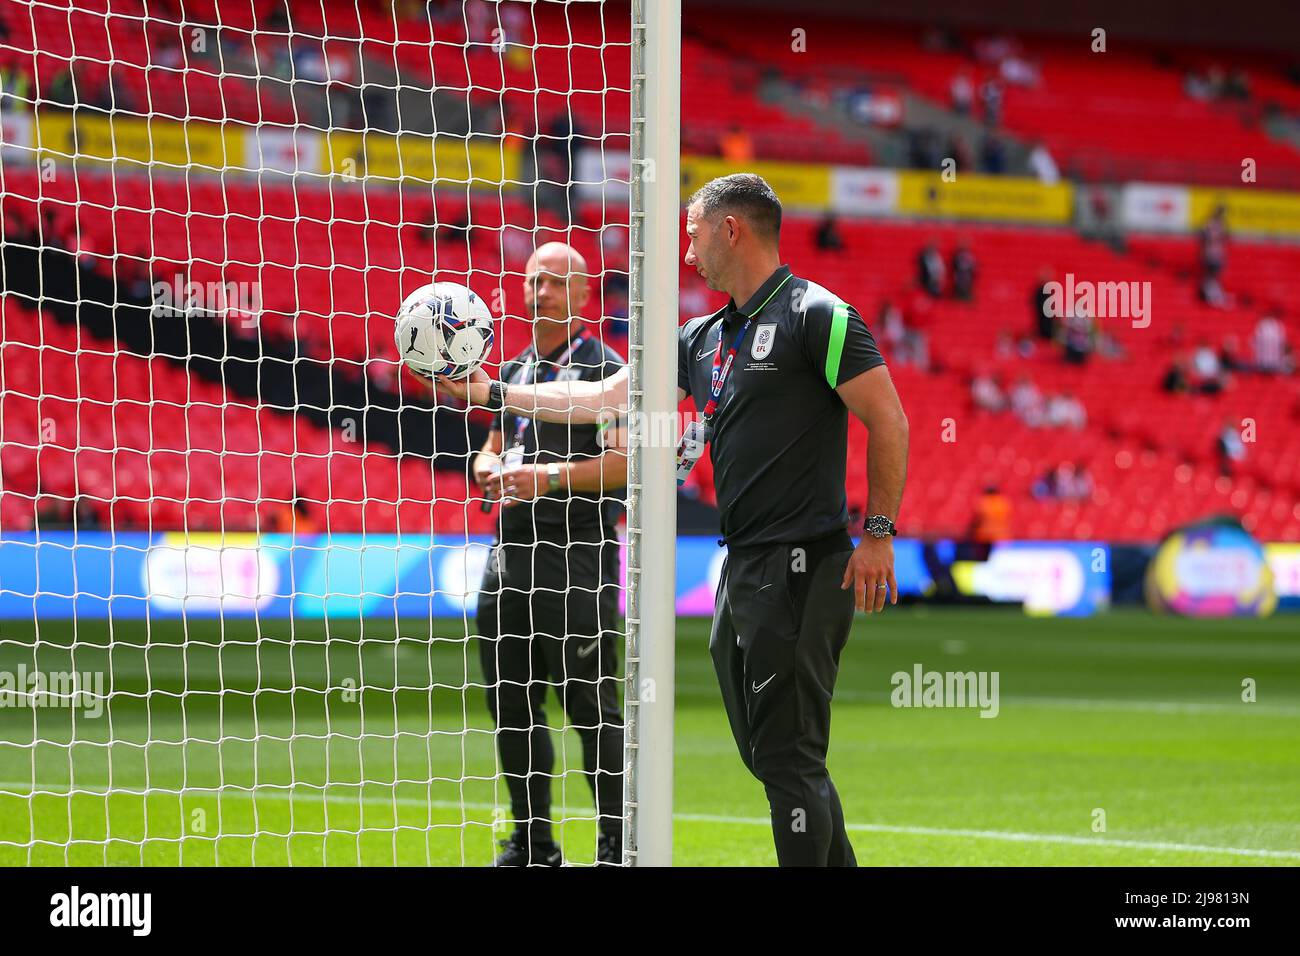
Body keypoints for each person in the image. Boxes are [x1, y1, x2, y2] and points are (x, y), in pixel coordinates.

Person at [434, 174, 910, 867]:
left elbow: (889, 419)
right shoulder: (702, 336)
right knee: (772, 757)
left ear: (731, 230)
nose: (687, 251)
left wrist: (878, 534)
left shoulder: (818, 315)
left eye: (692, 233)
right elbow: (608, 395)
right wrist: (496, 391)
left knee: (787, 758)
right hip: (740, 565)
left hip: (807, 563)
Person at [469, 242, 628, 867]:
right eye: (534, 281)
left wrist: (552, 477)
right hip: (510, 552)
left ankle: (617, 843)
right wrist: (484, 466)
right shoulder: (509, 374)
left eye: (557, 283)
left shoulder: (608, 370)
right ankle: (533, 843)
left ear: (585, 296)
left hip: (578, 551)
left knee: (591, 704)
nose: (541, 293)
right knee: (510, 702)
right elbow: (489, 445)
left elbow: (622, 466)